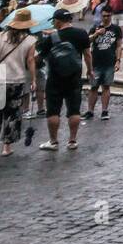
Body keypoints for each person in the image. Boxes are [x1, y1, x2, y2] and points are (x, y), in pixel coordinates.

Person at [0, 9, 38, 158]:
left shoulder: (0, 36)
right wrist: (34, 79)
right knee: (12, 114)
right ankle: (6, 147)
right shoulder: (30, 40)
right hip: (16, 80)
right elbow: (30, 61)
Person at [37, 8, 92, 152]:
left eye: (54, 21)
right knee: (74, 110)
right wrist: (90, 71)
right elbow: (87, 55)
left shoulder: (52, 37)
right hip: (74, 77)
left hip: (55, 78)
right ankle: (72, 140)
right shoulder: (82, 34)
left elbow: (40, 57)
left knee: (53, 111)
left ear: (58, 21)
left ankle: (54, 141)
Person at [82, 5, 122, 120]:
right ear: (101, 16)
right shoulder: (95, 27)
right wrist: (96, 34)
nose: (106, 18)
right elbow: (86, 41)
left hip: (109, 62)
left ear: (111, 16)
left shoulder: (116, 29)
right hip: (96, 62)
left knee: (106, 86)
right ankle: (90, 111)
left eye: (108, 16)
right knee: (93, 87)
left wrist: (118, 61)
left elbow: (119, 46)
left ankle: (104, 111)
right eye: (104, 16)